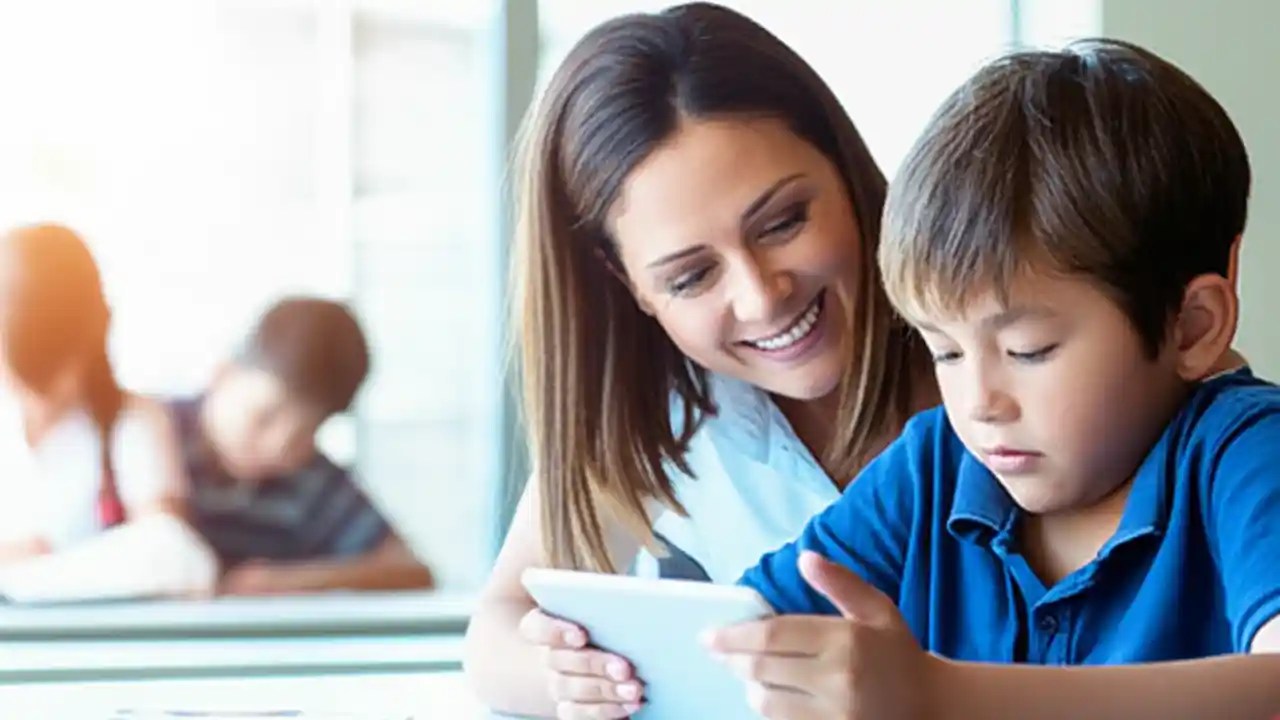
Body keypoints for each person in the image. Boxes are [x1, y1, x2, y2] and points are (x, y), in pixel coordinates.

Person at [710, 39, 1280, 719]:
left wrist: (943, 695)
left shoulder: (1244, 453)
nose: (979, 404)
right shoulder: (933, 468)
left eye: (1029, 350)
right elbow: (730, 639)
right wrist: (577, 664)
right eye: (945, 352)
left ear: (1190, 327)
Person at [463, 3, 937, 717]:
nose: (761, 297)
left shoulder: (989, 354)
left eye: (783, 223)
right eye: (690, 277)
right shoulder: (660, 408)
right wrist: (565, 675)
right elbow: (495, 635)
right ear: (630, 287)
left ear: (846, 170)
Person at [169, 297, 433, 595]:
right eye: (264, 417)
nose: (277, 448)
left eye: (302, 436)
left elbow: (411, 571)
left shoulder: (311, 480)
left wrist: (286, 582)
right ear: (223, 374)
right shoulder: (156, 435)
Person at [0, 224, 193, 575]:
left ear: (89, 340)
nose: (38, 401)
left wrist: (50, 565)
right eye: (21, 378)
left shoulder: (130, 424)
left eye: (51, 376)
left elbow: (169, 554)